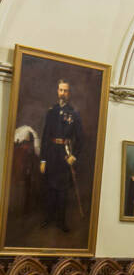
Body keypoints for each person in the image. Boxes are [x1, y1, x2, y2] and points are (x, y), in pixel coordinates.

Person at [39, 79, 83, 232]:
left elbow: (81, 139)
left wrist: (74, 156)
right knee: (50, 188)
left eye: (65, 91)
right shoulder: (51, 112)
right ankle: (49, 218)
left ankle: (61, 221)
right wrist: (43, 159)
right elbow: (45, 136)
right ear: (57, 91)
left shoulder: (74, 113)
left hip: (65, 154)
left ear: (69, 93)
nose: (62, 93)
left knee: (62, 190)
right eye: (60, 90)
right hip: (51, 153)